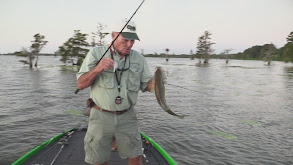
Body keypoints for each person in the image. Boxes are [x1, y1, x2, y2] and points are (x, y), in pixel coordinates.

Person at [76, 20, 153, 165]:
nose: (129, 44)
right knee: (98, 160)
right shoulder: (96, 53)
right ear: (113, 36)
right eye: (125, 39)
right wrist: (98, 68)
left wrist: (159, 81)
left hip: (128, 117)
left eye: (133, 40)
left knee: (136, 156)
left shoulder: (138, 58)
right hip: (100, 116)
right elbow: (80, 84)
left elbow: (147, 86)